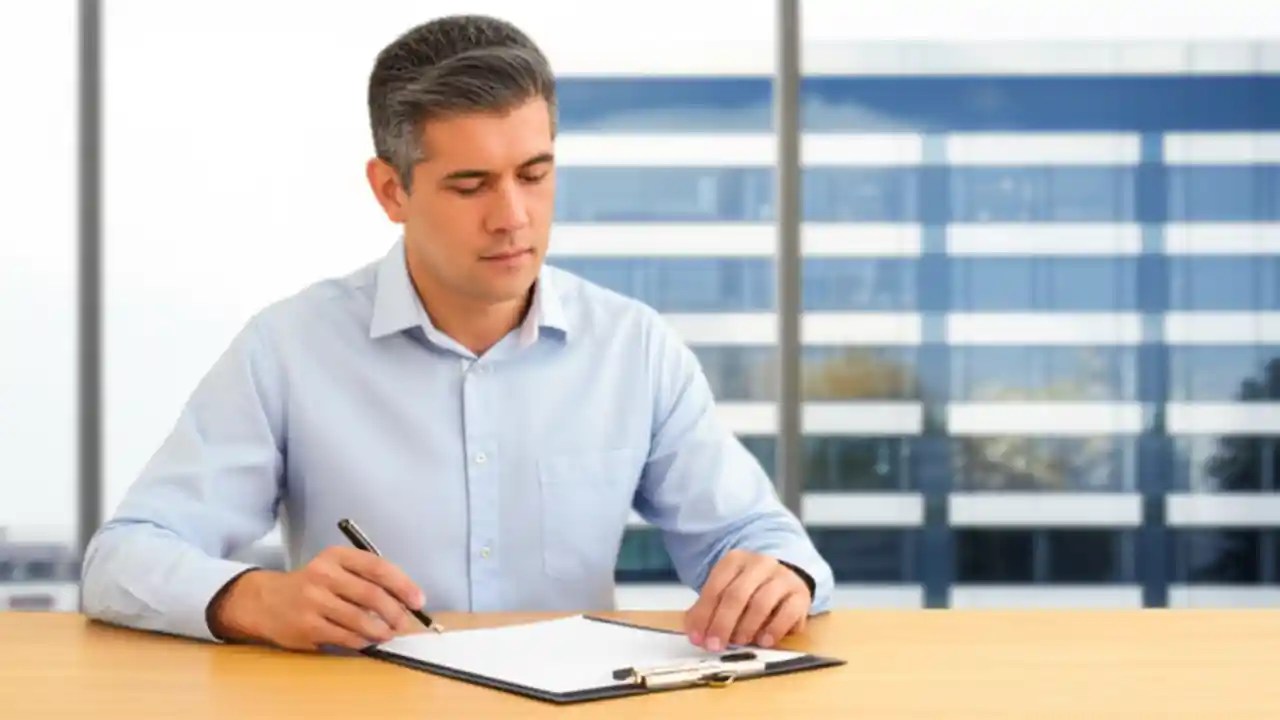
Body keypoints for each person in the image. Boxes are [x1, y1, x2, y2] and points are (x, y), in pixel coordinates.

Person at [81, 13, 833, 654]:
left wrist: (779, 576)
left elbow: (760, 537)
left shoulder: (632, 349)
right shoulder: (288, 349)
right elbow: (122, 559)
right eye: (470, 186)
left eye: (534, 175)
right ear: (391, 191)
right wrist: (256, 601)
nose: (512, 217)